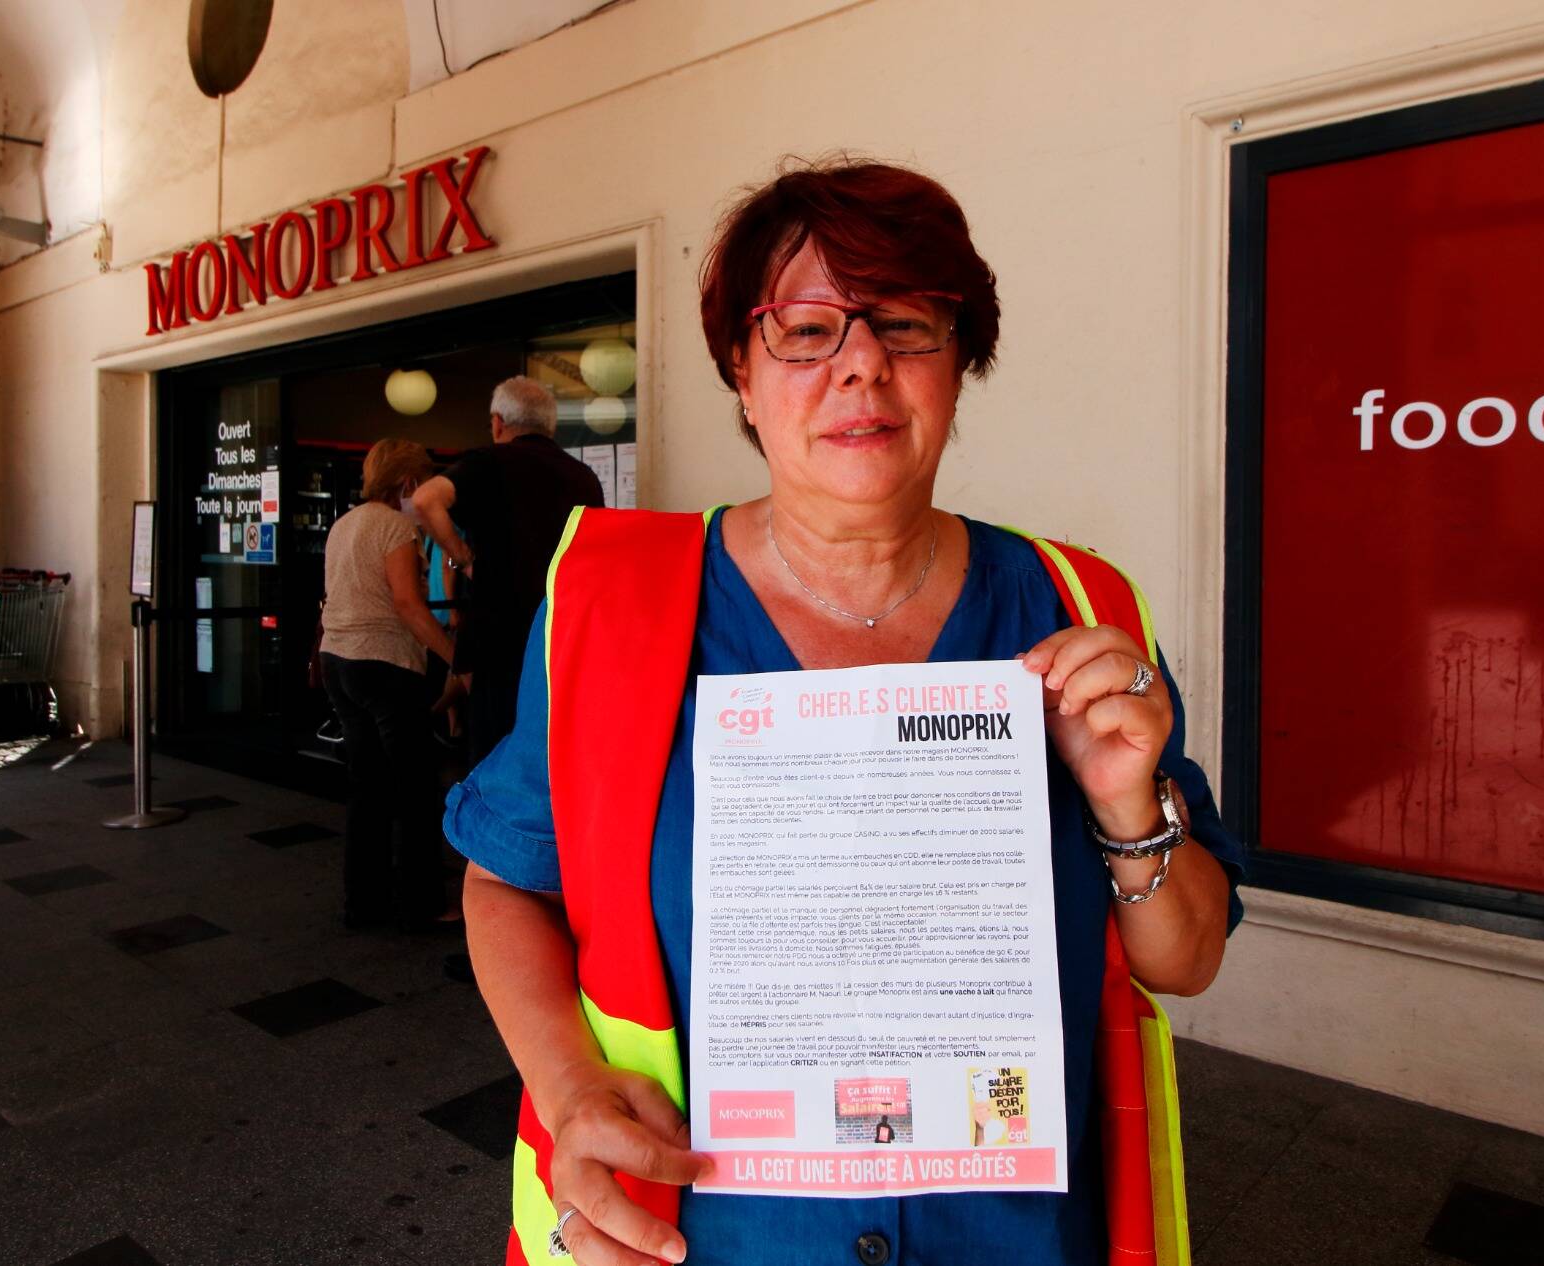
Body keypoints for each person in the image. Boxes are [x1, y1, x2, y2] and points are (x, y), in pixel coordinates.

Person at [445, 161, 1245, 1266]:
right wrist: (570, 1085)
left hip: (1007, 1238)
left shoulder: (1075, 607)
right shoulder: (609, 608)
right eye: (806, 329)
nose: (861, 362)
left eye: (905, 324)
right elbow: (503, 883)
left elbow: (1186, 960)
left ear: (959, 362)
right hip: (706, 1233)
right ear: (741, 372)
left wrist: (1126, 806)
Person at [408, 376, 604, 765]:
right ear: (550, 425)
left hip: (499, 635)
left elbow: (425, 499)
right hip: (562, 635)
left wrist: (463, 558)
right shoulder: (584, 477)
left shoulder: (490, 462)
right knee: (551, 753)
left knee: (495, 753)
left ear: (498, 422)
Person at [319, 438, 468, 931]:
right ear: (408, 482)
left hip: (339, 661)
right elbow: (408, 605)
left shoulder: (344, 524)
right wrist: (458, 660)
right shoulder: (395, 527)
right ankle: (423, 903)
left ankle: (364, 904)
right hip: (383, 664)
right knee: (416, 788)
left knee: (367, 787)